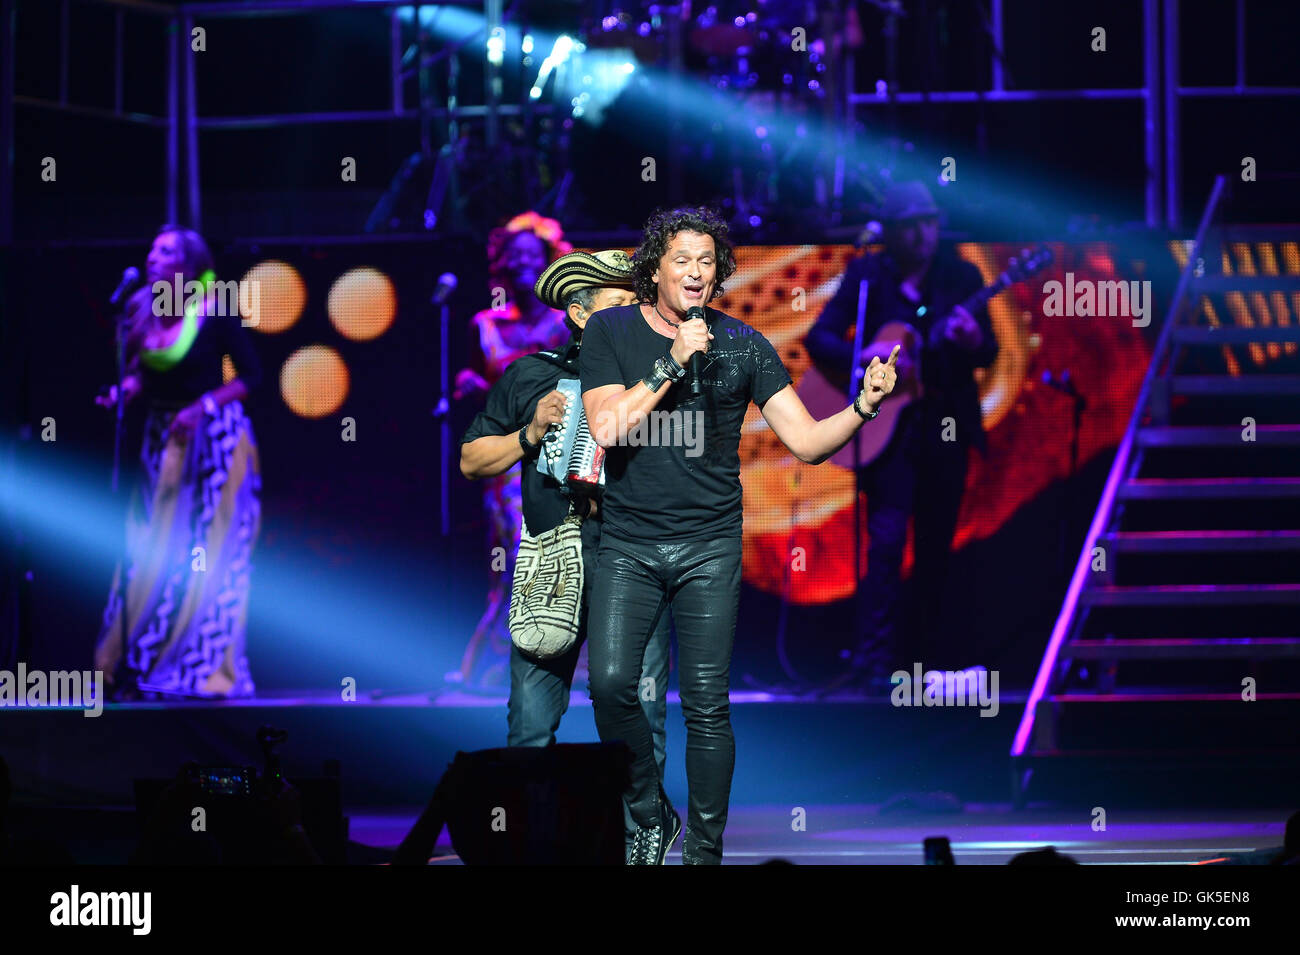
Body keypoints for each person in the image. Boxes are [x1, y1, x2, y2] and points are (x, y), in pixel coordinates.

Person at [579, 207, 899, 863]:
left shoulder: (745, 345)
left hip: (709, 546)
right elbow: (607, 430)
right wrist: (670, 363)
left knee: (705, 703)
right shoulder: (610, 332)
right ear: (655, 269)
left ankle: (704, 851)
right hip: (630, 543)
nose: (696, 273)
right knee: (611, 685)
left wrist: (864, 405)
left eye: (706, 262)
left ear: (719, 270)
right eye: (682, 261)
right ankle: (649, 812)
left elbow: (807, 442)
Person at [460, 250, 679, 855]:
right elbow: (471, 460)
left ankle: (642, 843)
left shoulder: (660, 376)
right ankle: (526, 846)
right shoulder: (533, 373)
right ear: (580, 315)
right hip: (554, 556)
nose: (636, 316)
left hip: (635, 558)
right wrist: (529, 433)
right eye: (619, 306)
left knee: (642, 711)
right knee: (530, 721)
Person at [805, 181, 997, 685]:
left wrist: (974, 340)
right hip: (888, 436)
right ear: (890, 232)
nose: (922, 235)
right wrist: (862, 357)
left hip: (944, 428)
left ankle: (929, 662)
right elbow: (819, 336)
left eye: (929, 223)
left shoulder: (962, 275)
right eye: (910, 225)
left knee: (936, 546)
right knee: (885, 543)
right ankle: (875, 662)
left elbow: (989, 352)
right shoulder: (868, 274)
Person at [93, 225, 262, 699]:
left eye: (164, 251)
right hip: (163, 443)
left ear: (188, 265)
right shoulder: (140, 308)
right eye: (151, 249)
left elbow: (253, 377)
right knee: (148, 548)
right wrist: (122, 392)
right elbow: (140, 376)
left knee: (206, 552)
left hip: (216, 442)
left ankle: (200, 666)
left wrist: (201, 407)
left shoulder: (214, 309)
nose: (152, 257)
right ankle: (129, 663)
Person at [452, 212, 574, 690]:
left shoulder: (567, 324)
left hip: (559, 454)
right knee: (514, 552)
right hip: (507, 457)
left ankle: (563, 662)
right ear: (503, 264)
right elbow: (484, 389)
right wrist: (472, 384)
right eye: (516, 256)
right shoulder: (484, 325)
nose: (524, 264)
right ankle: (501, 662)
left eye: (534, 257)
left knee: (559, 556)